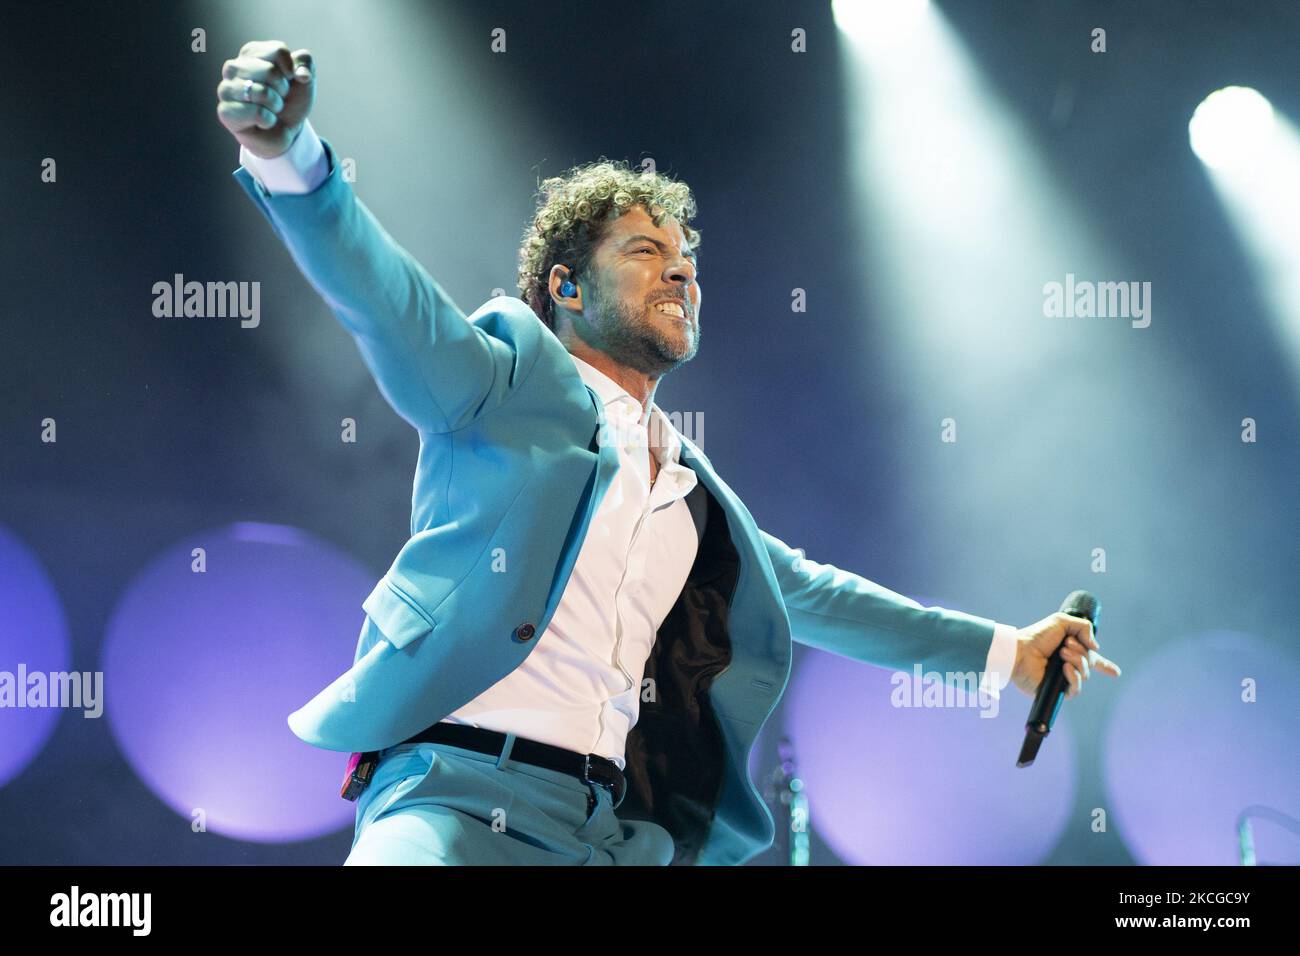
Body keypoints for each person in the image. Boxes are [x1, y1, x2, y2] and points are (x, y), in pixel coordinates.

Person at [215, 40, 1122, 866]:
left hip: (606, 833)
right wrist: (290, 160)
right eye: (648, 250)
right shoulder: (498, 384)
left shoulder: (693, 495)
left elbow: (822, 597)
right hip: (449, 801)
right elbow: (388, 301)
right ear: (565, 288)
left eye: (686, 255)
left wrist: (1010, 653)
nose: (682, 269)